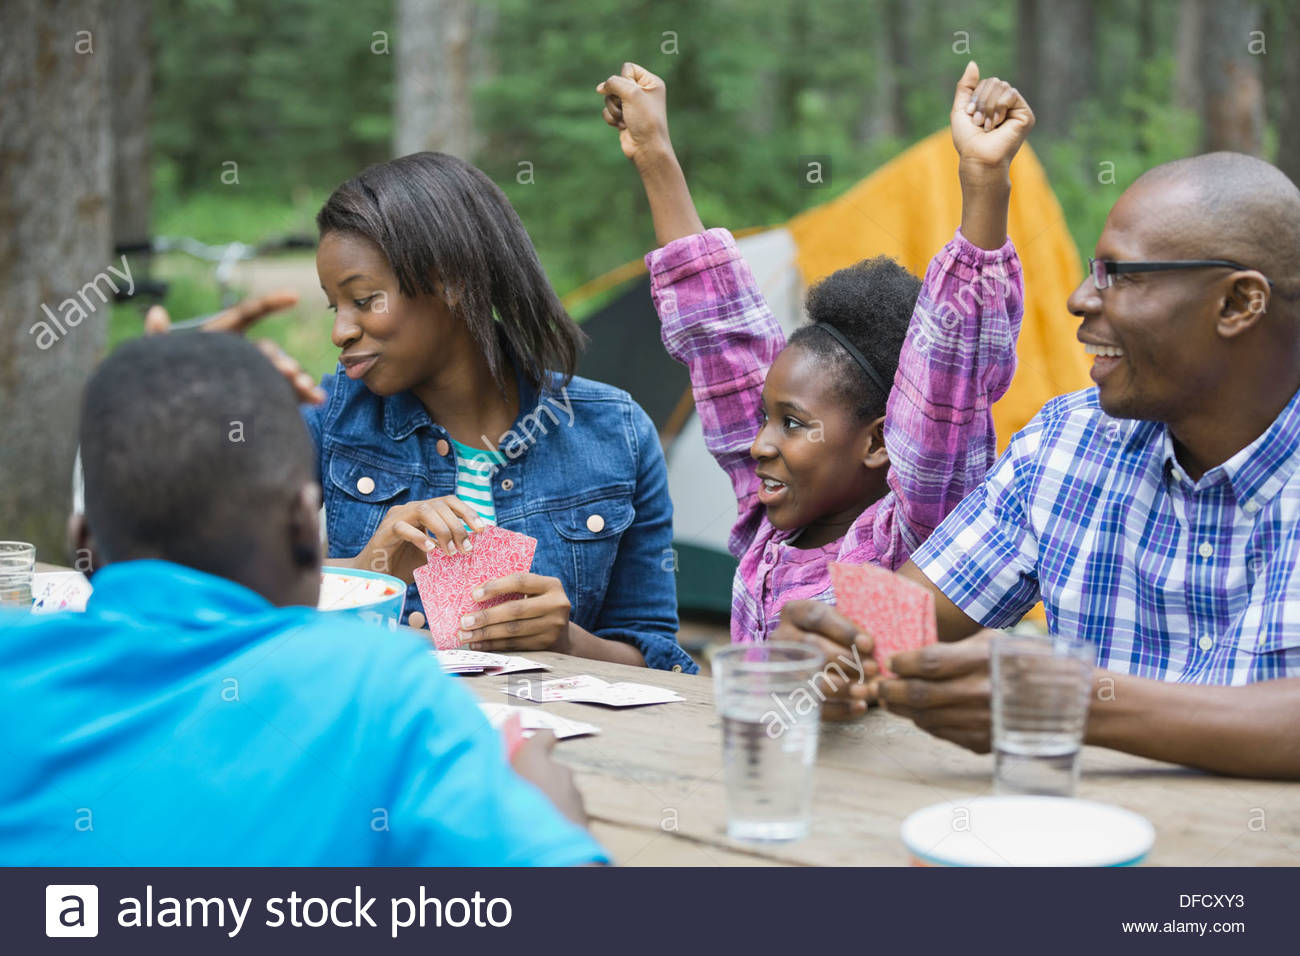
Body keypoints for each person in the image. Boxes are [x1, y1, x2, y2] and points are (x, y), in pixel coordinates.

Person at [775, 151, 1300, 778]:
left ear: (1239, 303)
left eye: (1121, 276)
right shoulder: (1067, 442)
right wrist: (828, 639)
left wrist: (1067, 699)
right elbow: (900, 617)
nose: (1080, 300)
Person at [0, 333, 609, 865]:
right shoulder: (379, 687)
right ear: (302, 525)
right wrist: (552, 819)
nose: (345, 329)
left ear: (84, 546)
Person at [148, 153, 696, 673]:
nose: (340, 331)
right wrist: (367, 570)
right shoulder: (330, 417)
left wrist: (568, 640)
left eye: (363, 301)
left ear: (450, 282)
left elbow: (661, 656)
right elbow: (206, 578)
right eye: (333, 305)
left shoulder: (616, 433)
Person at [599, 61, 1031, 687]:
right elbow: (718, 332)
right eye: (768, 418)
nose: (759, 444)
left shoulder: (916, 538)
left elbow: (949, 381)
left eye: (793, 424)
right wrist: (653, 153)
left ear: (881, 441)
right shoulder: (766, 519)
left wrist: (985, 180)